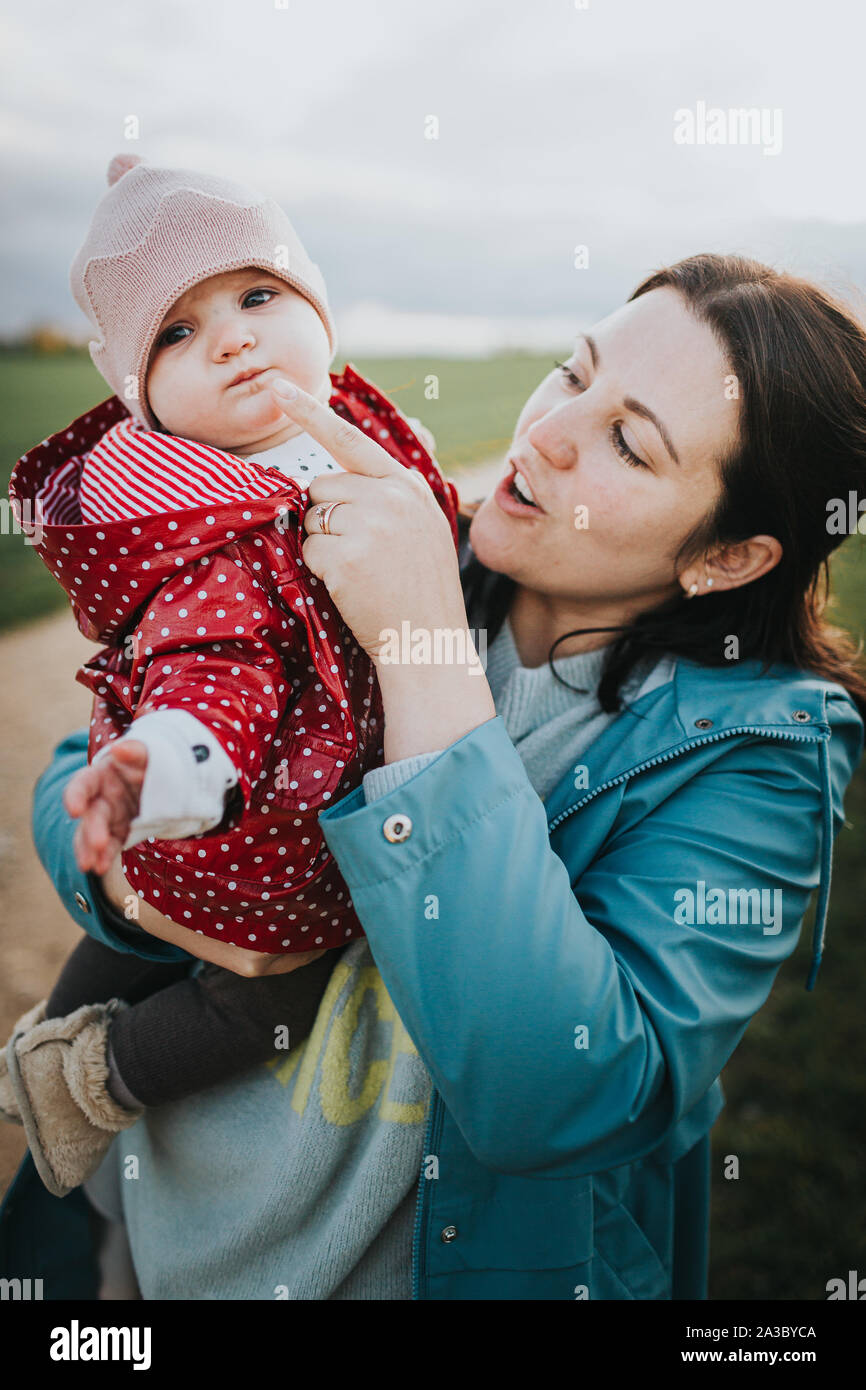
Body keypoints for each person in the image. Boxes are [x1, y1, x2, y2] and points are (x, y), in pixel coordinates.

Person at [1, 252, 864, 1301]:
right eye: (571, 370)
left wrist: (417, 646)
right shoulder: (382, 529)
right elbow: (81, 770)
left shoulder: (753, 757)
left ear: (725, 557)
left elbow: (558, 1095)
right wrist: (142, 893)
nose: (544, 428)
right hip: (131, 1247)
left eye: (625, 442)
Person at [0, 152, 458, 1198]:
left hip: (290, 812)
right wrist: (152, 770)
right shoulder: (214, 533)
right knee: (271, 1003)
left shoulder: (357, 429)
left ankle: (54, 1054)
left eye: (258, 294)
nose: (234, 335)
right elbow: (210, 685)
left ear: (320, 315)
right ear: (142, 398)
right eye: (177, 331)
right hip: (245, 836)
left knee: (122, 948)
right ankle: (87, 1078)